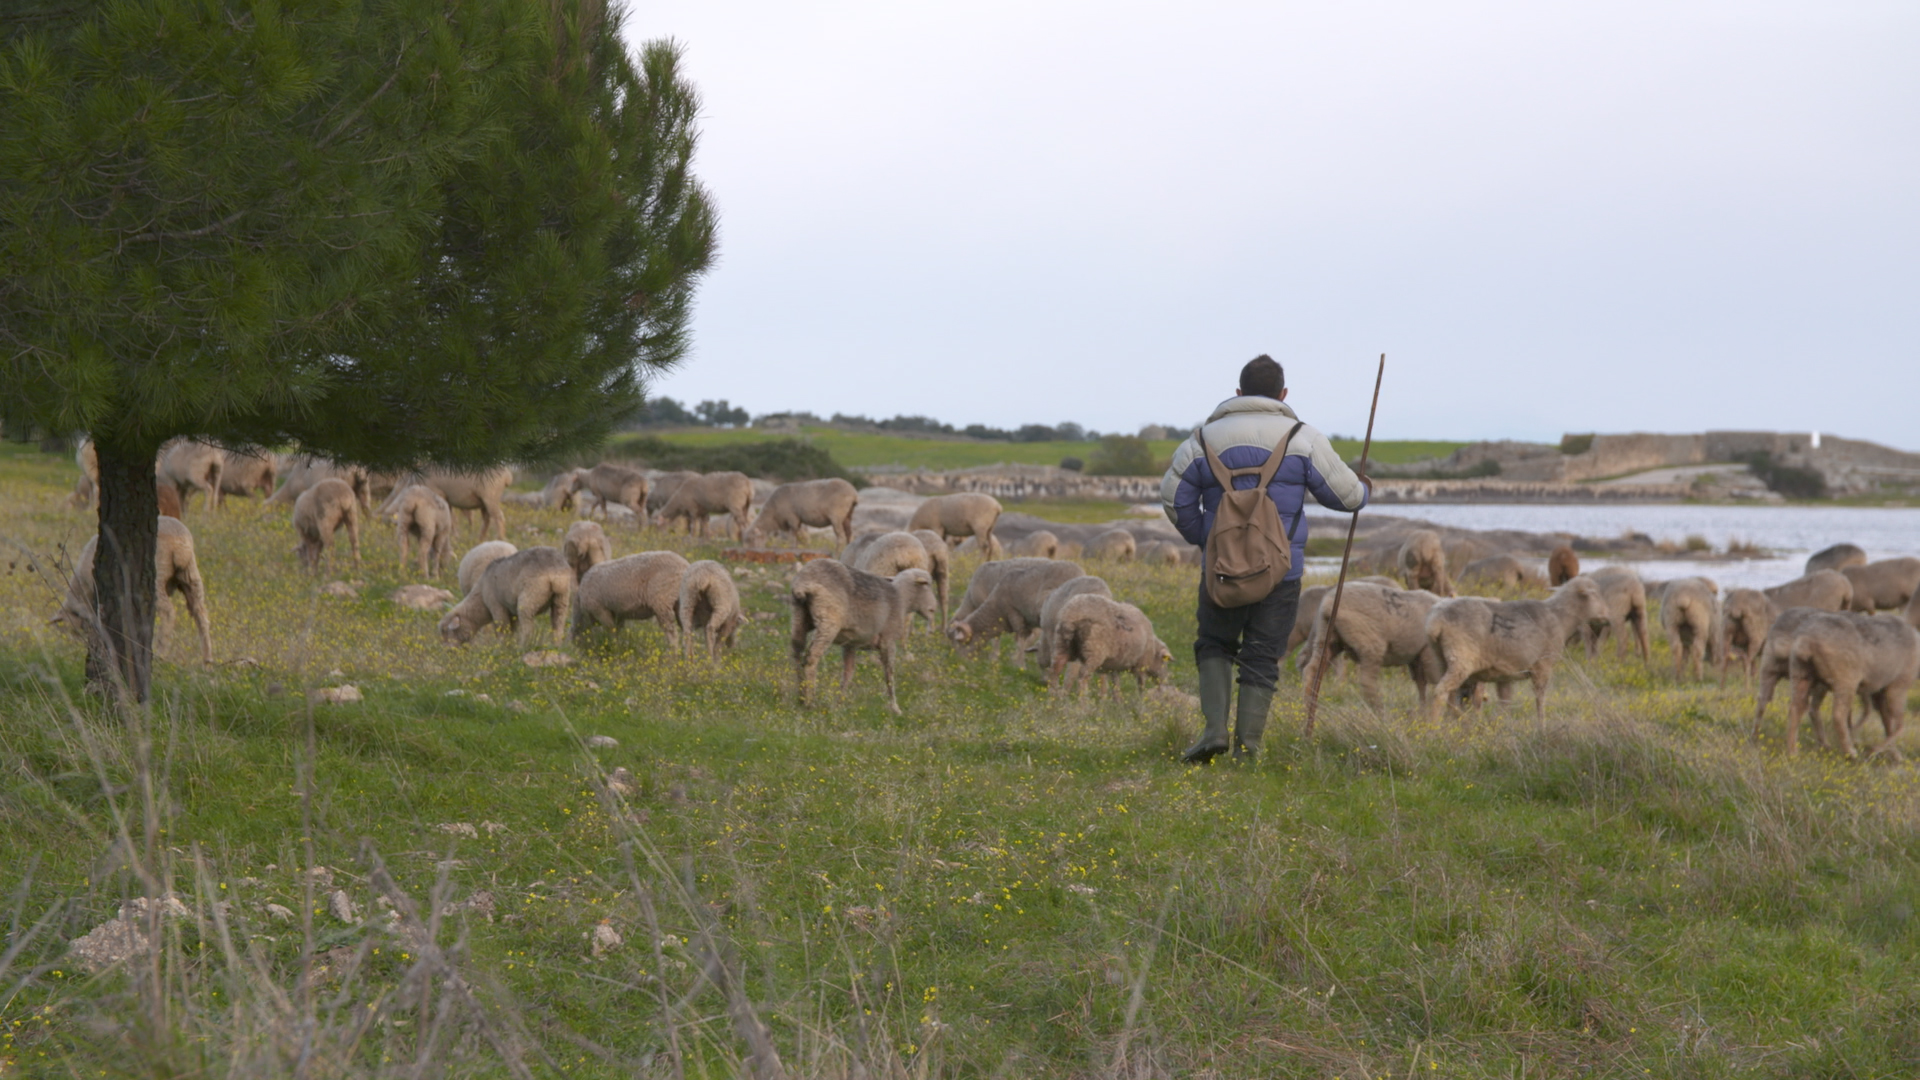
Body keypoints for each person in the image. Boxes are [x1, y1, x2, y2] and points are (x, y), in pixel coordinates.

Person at [1159, 355, 1369, 762]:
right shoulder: (1302, 438)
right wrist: (1365, 488)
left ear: (1238, 394)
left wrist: (1207, 540)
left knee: (1214, 643)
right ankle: (1248, 750)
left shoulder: (1201, 439)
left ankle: (1213, 733)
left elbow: (1173, 499)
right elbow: (1346, 497)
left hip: (1220, 571)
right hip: (1281, 572)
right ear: (1283, 394)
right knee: (1263, 652)